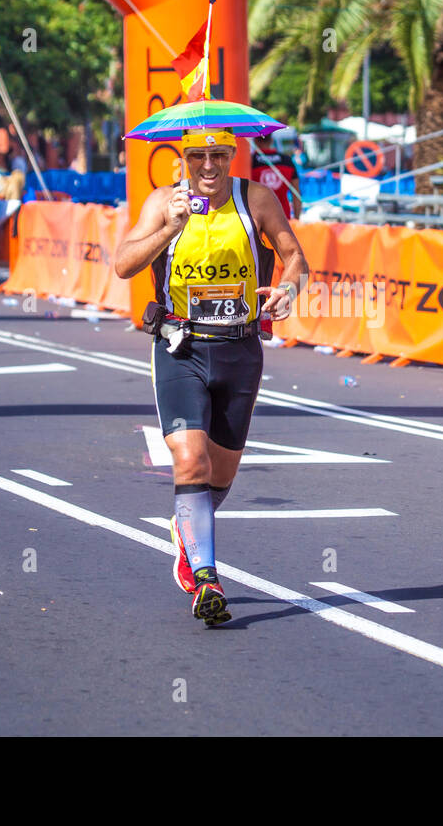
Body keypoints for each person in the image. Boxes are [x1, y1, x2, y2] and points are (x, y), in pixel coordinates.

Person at [115, 126, 309, 626]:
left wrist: (290, 289)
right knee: (190, 457)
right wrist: (169, 229)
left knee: (219, 475)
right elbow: (122, 265)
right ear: (182, 158)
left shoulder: (257, 199)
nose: (208, 166)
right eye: (197, 156)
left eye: (219, 156)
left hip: (239, 350)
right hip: (181, 347)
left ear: (232, 156)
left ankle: (187, 528)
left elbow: (296, 259)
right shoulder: (163, 202)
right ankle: (206, 578)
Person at [250, 132, 302, 220]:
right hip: (283, 219)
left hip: (257, 220)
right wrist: (296, 219)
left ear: (255, 141)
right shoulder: (287, 161)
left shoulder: (250, 161)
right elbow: (296, 194)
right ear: (272, 140)